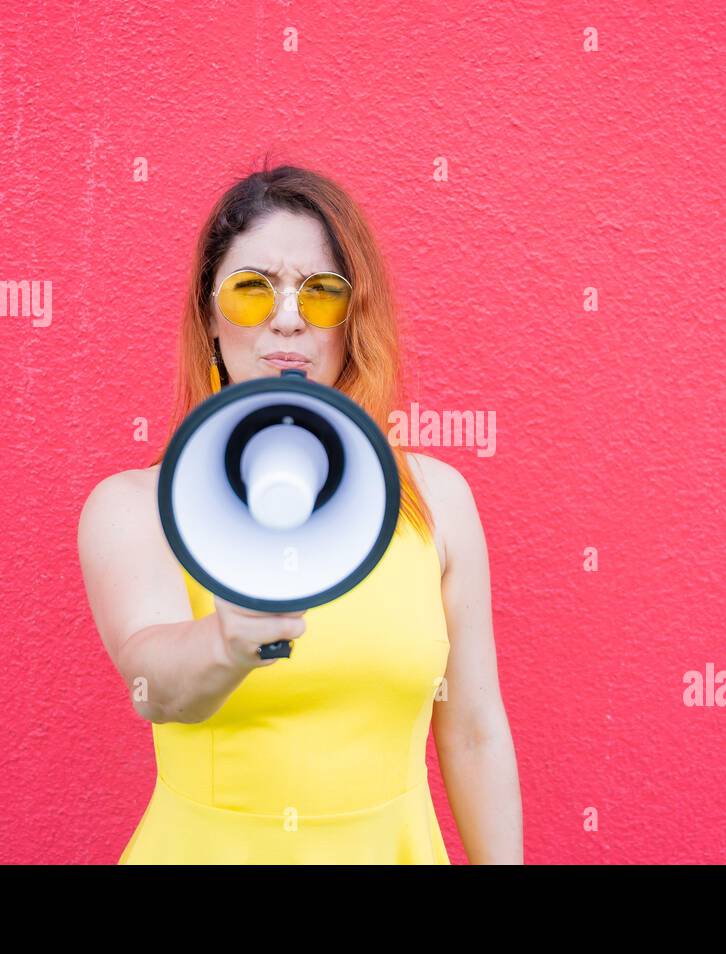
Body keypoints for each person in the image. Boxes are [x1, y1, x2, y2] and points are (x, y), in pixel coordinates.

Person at [77, 164, 522, 863]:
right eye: (252, 289)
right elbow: (156, 688)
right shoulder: (134, 507)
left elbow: (472, 730)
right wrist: (227, 643)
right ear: (209, 318)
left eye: (321, 292)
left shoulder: (438, 501)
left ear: (353, 319)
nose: (287, 317)